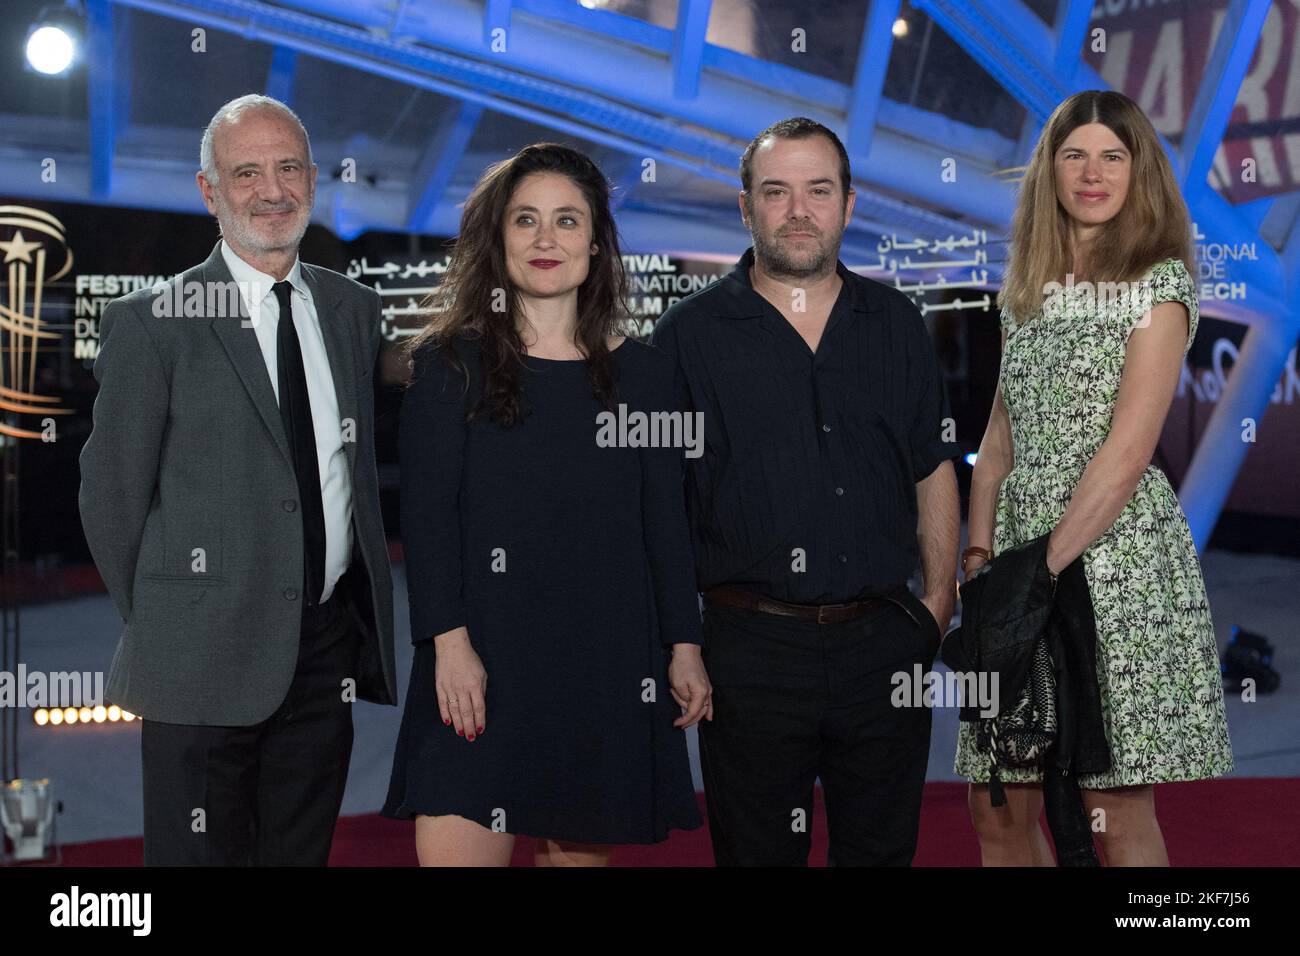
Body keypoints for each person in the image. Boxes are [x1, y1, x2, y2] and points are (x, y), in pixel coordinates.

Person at [79, 94, 396, 865]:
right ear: (209, 190)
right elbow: (111, 497)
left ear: (314, 179)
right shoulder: (153, 322)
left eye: (288, 167)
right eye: (246, 171)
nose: (272, 189)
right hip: (197, 664)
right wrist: (174, 614)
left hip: (323, 659)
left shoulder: (353, 310)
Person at [382, 143, 709, 866]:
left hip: (606, 661)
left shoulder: (645, 375)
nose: (545, 238)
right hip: (479, 664)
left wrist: (684, 645)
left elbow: (665, 523)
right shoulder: (448, 365)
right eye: (525, 220)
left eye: (567, 221)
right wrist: (450, 643)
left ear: (595, 244)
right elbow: (429, 522)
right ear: (498, 241)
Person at [650, 117, 961, 866]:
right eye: (776, 191)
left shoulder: (895, 323)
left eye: (818, 191)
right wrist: (681, 642)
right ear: (746, 206)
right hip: (749, 650)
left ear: (849, 205)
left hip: (885, 642)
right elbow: (660, 499)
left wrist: (937, 607)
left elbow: (933, 467)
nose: (798, 210)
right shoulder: (687, 336)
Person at [956, 89, 1234, 866]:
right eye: (1073, 154)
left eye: (1113, 155)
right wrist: (982, 563)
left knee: (1111, 801)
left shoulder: (1160, 283)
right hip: (1016, 557)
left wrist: (1036, 576)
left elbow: (1126, 452)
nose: (1092, 172)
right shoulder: (1026, 288)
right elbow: (999, 440)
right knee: (996, 799)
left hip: (1112, 562)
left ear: (1138, 170)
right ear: (1049, 169)